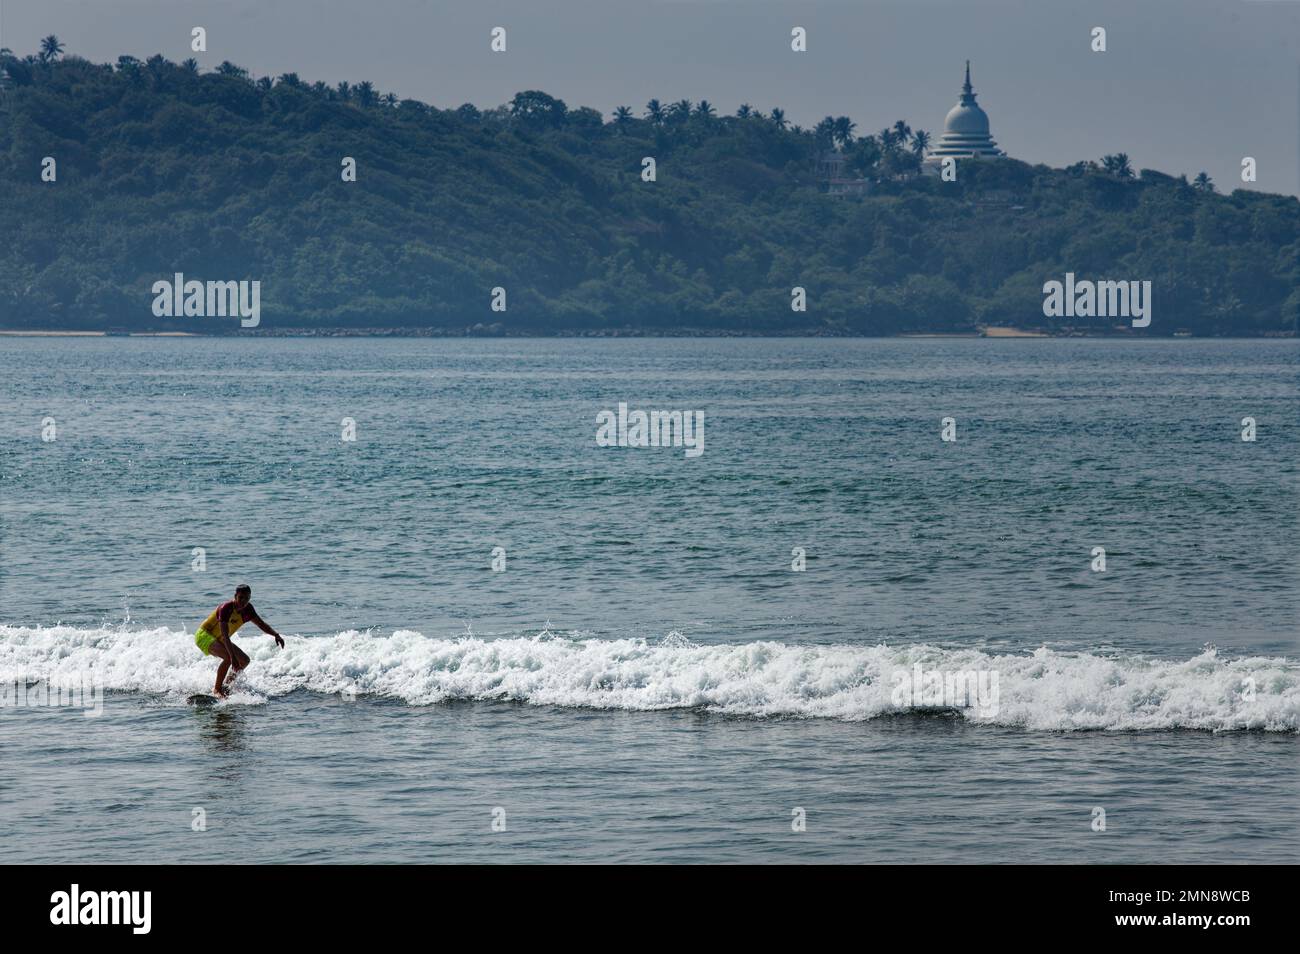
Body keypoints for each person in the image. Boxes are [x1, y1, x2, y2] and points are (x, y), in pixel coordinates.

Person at [194, 584, 285, 697]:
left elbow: (261, 624)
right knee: (228, 658)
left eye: (247, 598)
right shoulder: (226, 608)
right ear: (235, 596)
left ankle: (226, 686)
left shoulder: (248, 609)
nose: (243, 601)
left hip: (220, 638)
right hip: (204, 635)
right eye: (241, 597)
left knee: (244, 660)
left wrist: (276, 635)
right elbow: (225, 634)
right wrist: (232, 658)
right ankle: (217, 690)